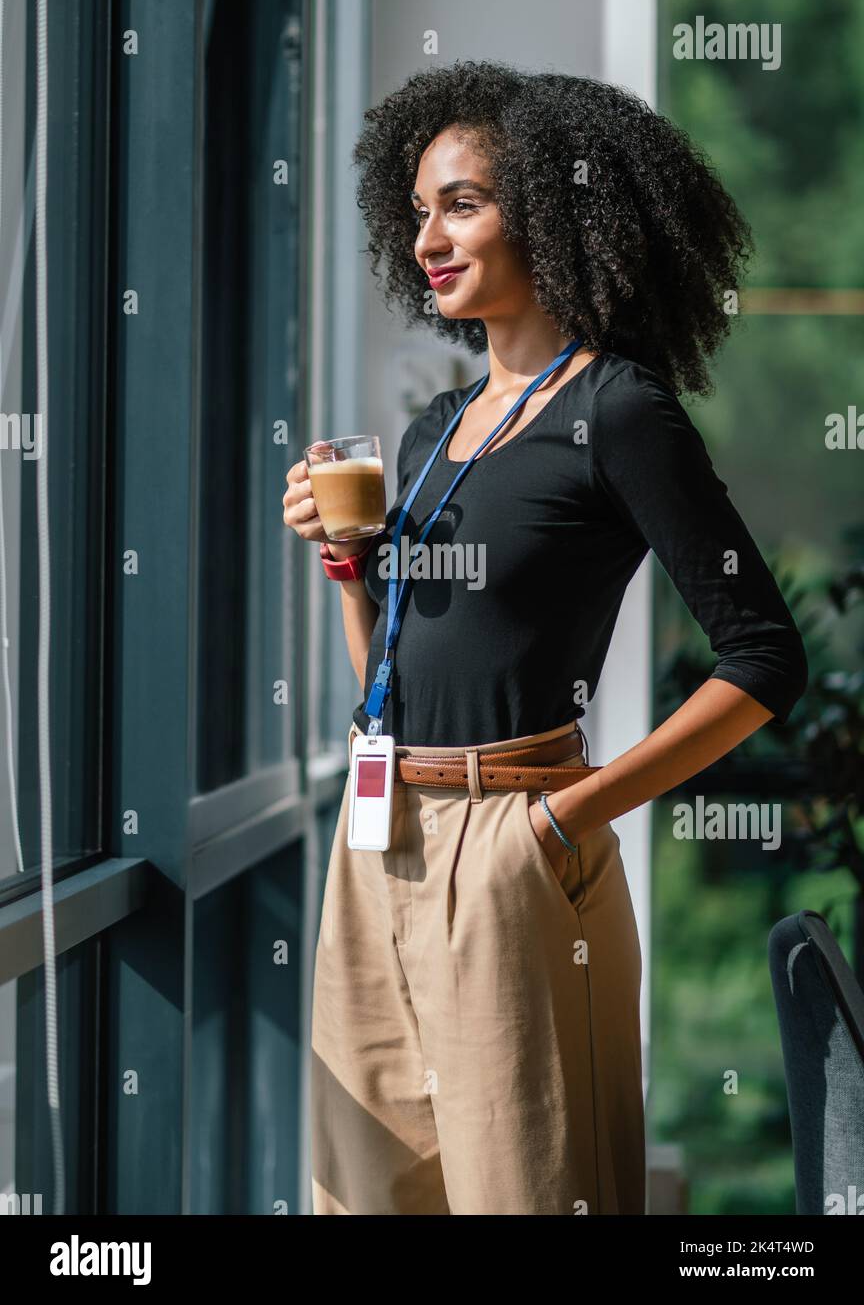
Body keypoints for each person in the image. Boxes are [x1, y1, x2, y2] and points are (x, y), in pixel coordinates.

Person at [282, 61, 808, 1216]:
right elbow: (390, 681)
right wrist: (346, 568)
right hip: (376, 850)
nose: (430, 235)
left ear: (556, 214)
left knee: (528, 1193)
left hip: (516, 846)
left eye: (462, 203)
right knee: (363, 1197)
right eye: (418, 209)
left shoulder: (615, 412)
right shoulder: (431, 431)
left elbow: (766, 655)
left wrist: (568, 817)